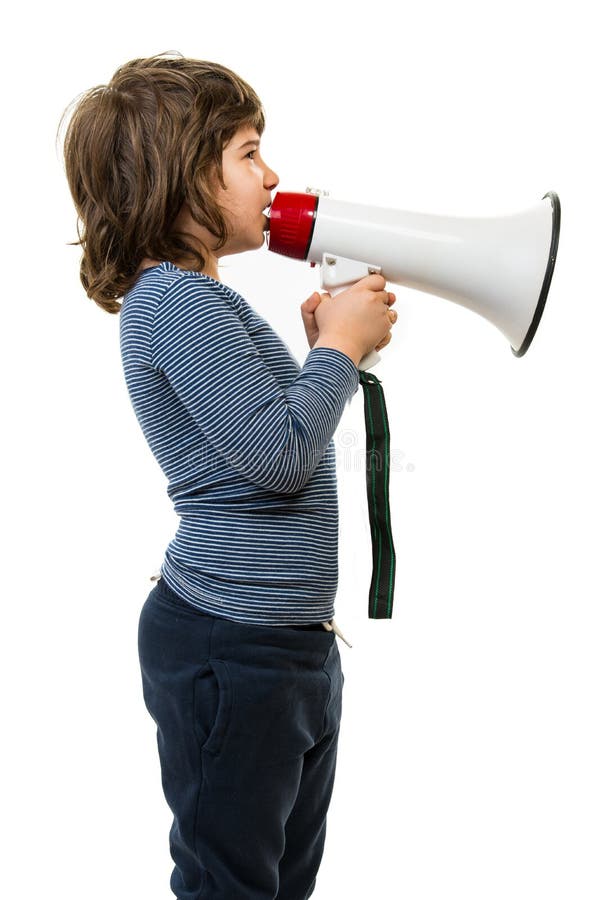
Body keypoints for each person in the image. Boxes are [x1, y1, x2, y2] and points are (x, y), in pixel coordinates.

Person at [58, 51, 397, 900]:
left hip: (280, 648)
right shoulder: (174, 302)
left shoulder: (206, 302)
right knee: (230, 884)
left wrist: (324, 352)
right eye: (247, 152)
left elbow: (275, 431)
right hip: (231, 649)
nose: (272, 173)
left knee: (278, 878)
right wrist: (337, 350)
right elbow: (278, 458)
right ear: (178, 176)